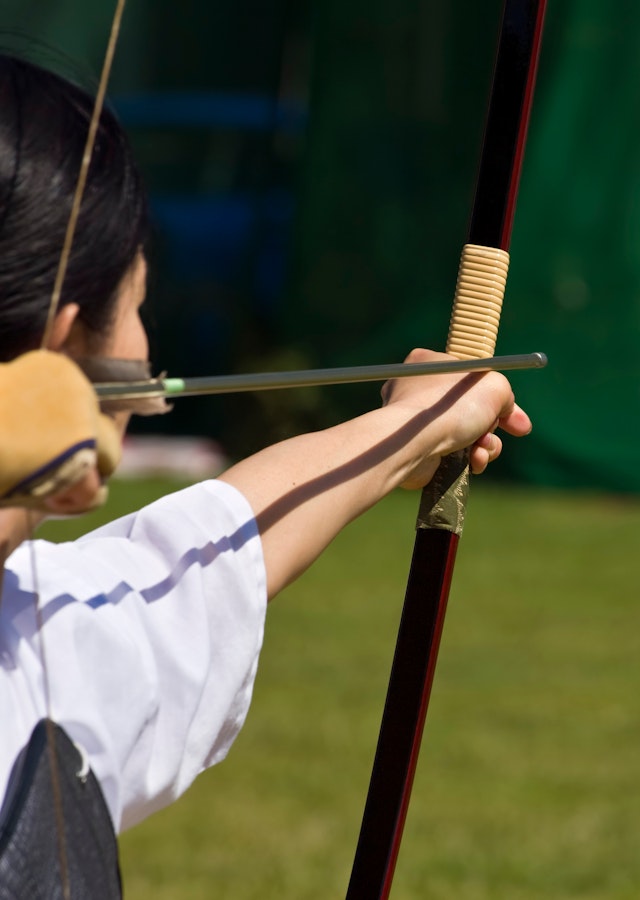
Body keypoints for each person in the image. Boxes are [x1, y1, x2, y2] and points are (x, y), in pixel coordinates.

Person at [0, 52, 532, 885]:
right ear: (66, 346)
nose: (146, 351)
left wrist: (411, 427)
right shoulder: (44, 662)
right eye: (138, 305)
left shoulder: (54, 641)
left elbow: (214, 544)